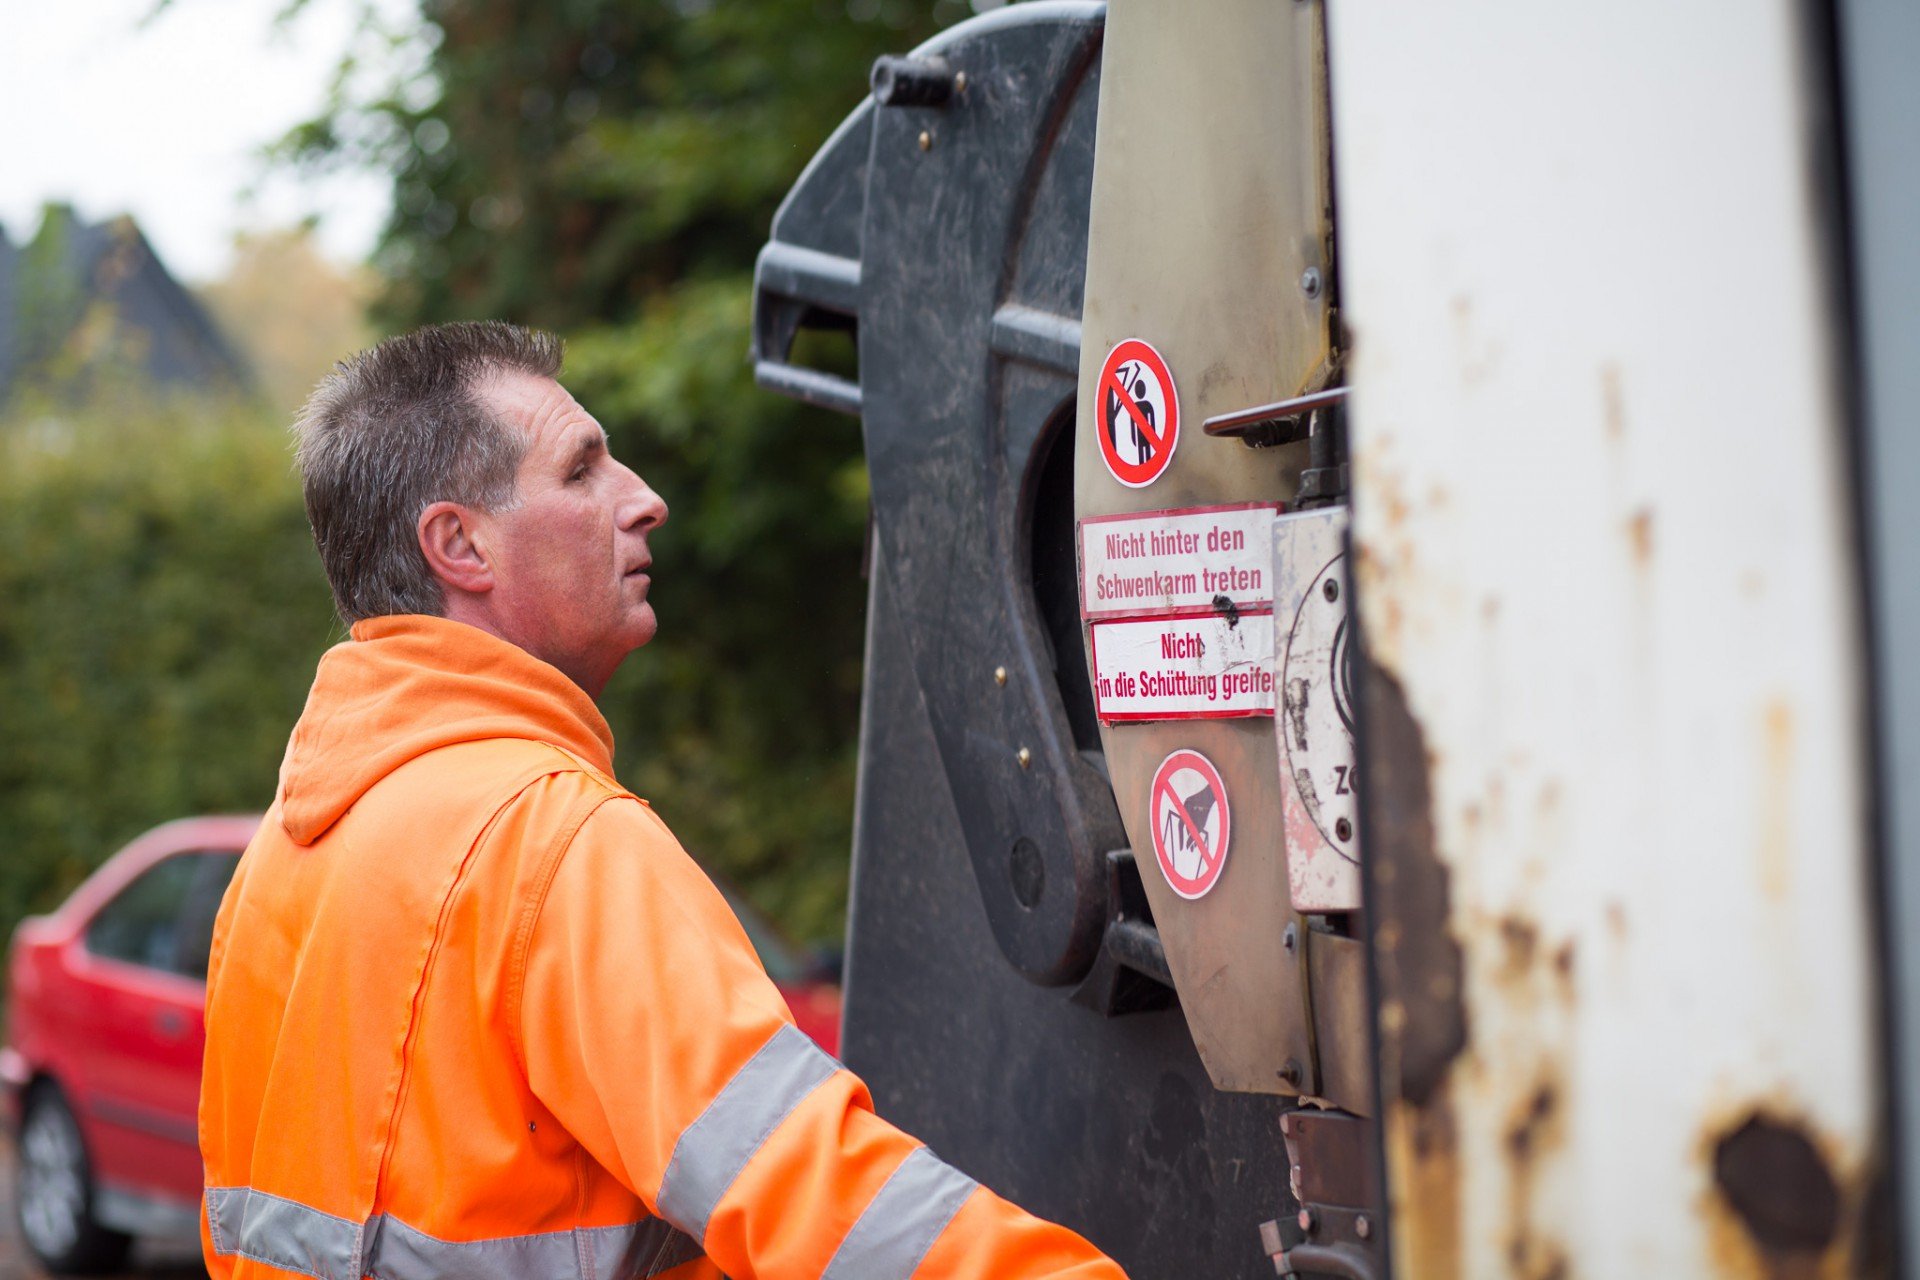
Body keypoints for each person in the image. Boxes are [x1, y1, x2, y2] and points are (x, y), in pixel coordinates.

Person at [198, 322, 1127, 1280]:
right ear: (459, 544)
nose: (646, 500)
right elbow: (811, 1192)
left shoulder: (284, 856)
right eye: (581, 471)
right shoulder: (550, 841)